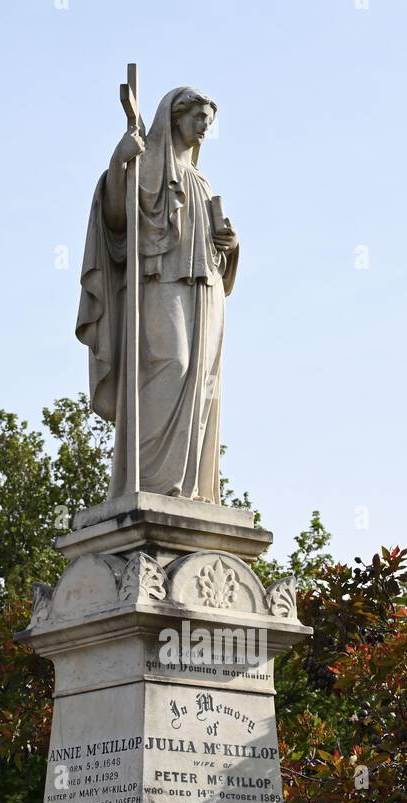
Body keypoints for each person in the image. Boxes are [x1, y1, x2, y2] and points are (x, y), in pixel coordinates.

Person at [77, 86, 239, 503]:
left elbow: (219, 253)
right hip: (158, 282)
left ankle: (189, 486)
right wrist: (119, 162)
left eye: (208, 120)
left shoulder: (201, 181)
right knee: (172, 364)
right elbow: (115, 218)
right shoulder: (145, 164)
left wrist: (231, 244)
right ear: (174, 117)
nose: (204, 127)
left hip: (206, 290)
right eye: (197, 117)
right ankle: (150, 481)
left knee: (202, 381)